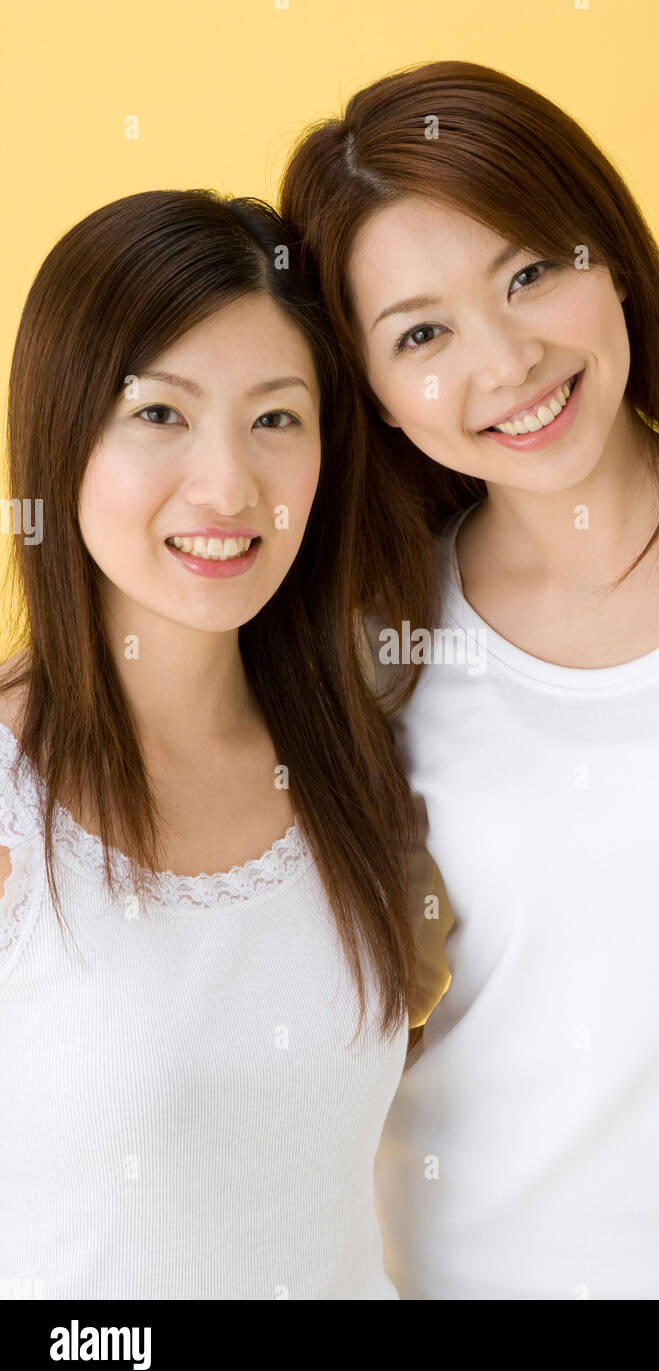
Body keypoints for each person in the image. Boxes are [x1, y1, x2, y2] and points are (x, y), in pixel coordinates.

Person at [279, 59, 659, 1299]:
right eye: (422, 333)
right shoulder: (376, 642)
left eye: (532, 271)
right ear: (371, 392)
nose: (505, 360)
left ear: (612, 258)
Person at [0, 188, 429, 1299]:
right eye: (159, 414)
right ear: (60, 430)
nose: (229, 486)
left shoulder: (359, 735)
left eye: (275, 417)